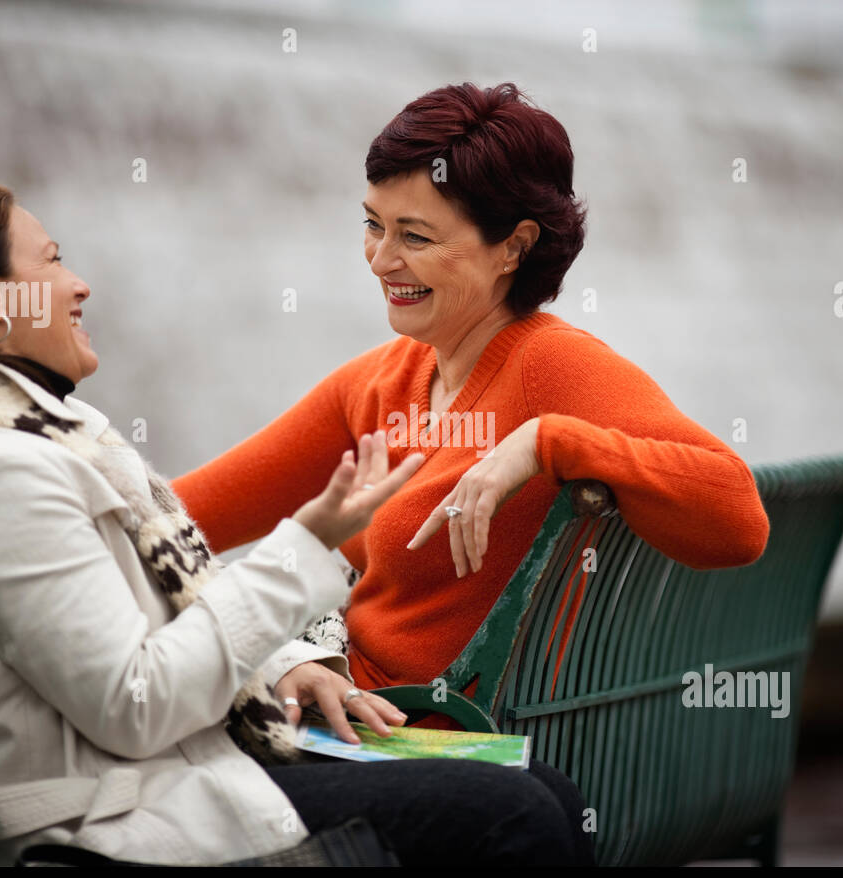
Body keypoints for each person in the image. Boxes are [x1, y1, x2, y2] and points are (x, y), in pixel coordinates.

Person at [0, 183, 594, 866]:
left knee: (538, 784)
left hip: (180, 774)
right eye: (53, 262)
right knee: (515, 816)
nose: (79, 284)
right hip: (101, 827)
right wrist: (310, 541)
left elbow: (162, 606)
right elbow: (135, 705)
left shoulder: (49, 440)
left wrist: (287, 663)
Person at [171, 82, 772, 714]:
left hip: (418, 740)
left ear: (513, 248)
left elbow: (738, 521)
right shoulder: (382, 380)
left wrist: (546, 442)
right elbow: (184, 518)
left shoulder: (552, 366)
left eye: (416, 237)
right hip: (337, 707)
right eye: (373, 226)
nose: (380, 261)